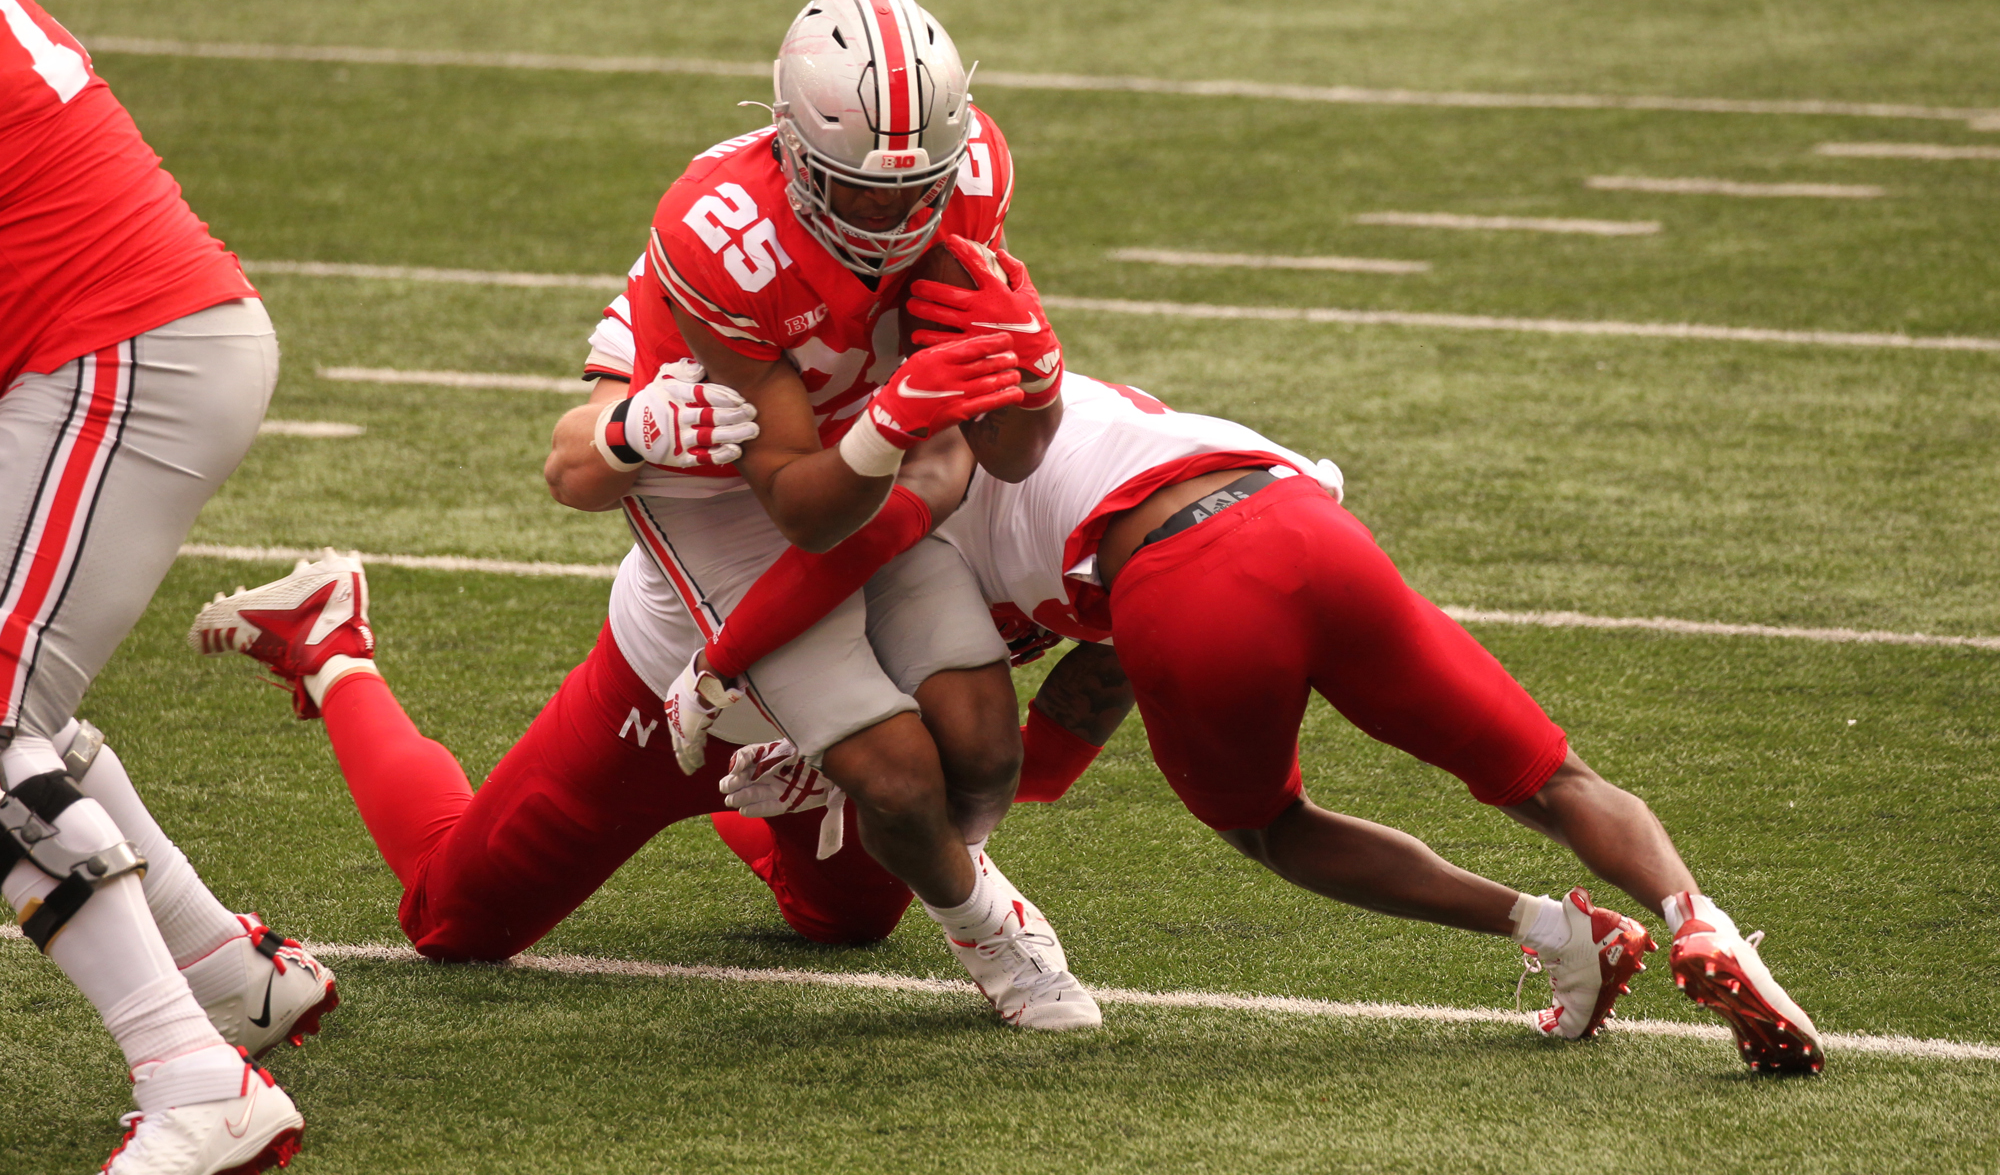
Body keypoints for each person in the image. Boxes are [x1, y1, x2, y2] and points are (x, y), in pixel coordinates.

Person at [631, 270, 1823, 1076]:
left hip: (1184, 582)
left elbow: (914, 615)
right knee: (1548, 774)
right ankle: (1693, 914)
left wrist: (732, 674)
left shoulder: (938, 460)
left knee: (1273, 826)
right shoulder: (1088, 411)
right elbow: (1045, 754)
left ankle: (1551, 933)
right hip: (1305, 520)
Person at [195, 0, 1100, 1030]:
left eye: (918, 191)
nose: (897, 221)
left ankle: (800, 772)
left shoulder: (960, 180)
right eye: (861, 195)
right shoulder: (716, 244)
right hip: (699, 606)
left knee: (871, 892)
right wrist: (635, 431)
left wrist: (1031, 377)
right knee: (455, 919)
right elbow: (575, 470)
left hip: (859, 511)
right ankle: (331, 646)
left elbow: (973, 451)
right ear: (795, 157)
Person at [0, 0, 334, 1174]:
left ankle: (193, 1076)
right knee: (14, 704)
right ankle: (224, 973)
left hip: (117, 352)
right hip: (127, 342)